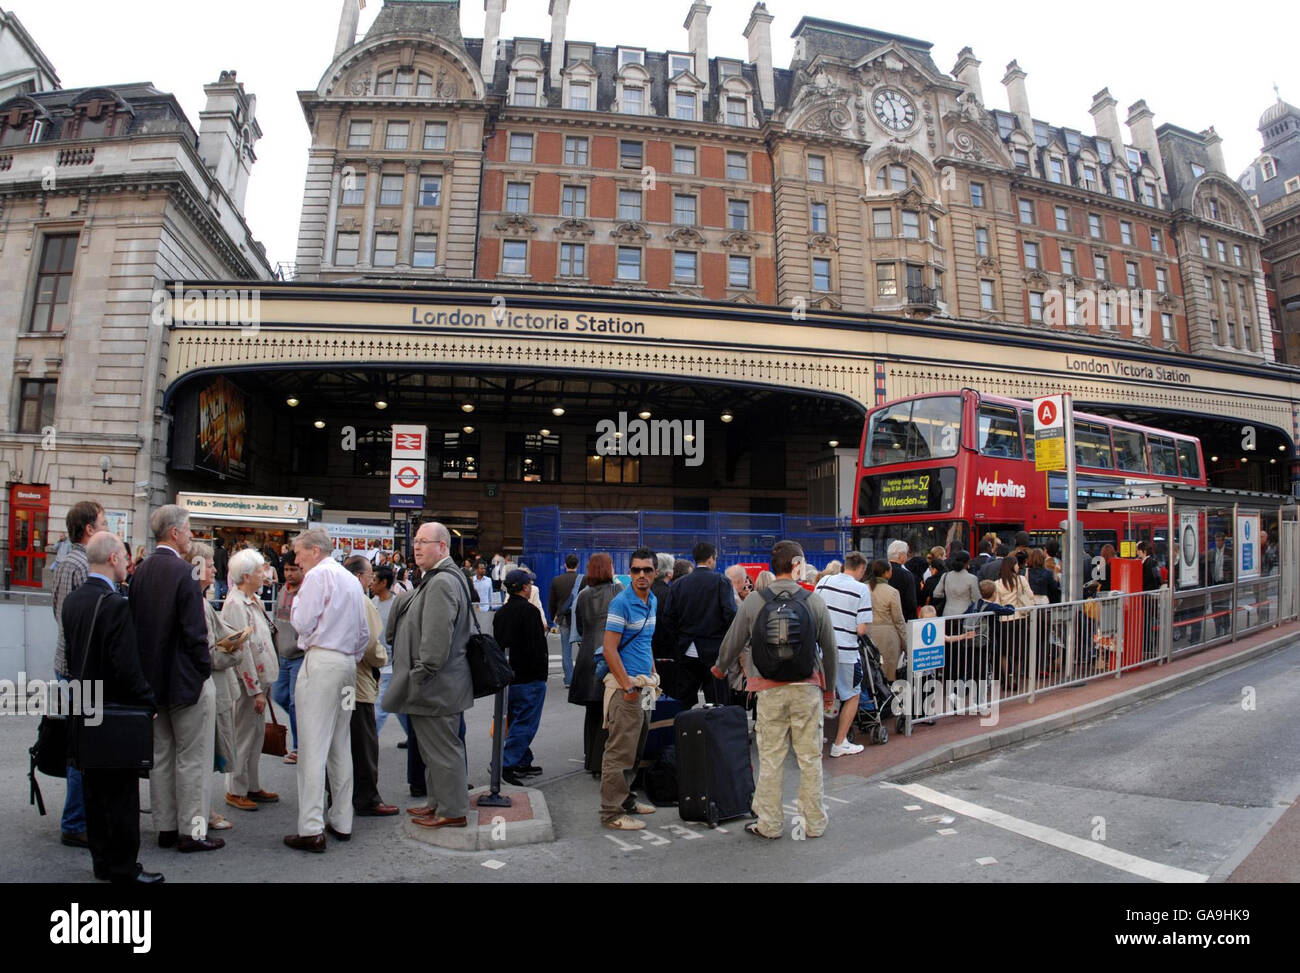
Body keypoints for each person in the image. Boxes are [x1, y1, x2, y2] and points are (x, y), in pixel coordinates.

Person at [713, 539, 836, 840]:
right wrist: (829, 690)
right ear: (796, 565)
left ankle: (768, 823)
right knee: (810, 758)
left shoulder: (756, 601)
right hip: (807, 689)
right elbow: (830, 649)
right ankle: (814, 823)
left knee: (771, 757)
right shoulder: (813, 600)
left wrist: (719, 667)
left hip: (768, 690)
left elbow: (734, 639)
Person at [64, 531, 162, 883]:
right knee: (121, 794)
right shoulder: (115, 604)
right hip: (114, 709)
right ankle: (124, 868)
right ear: (113, 559)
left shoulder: (74, 600)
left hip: (84, 704)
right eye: (123, 555)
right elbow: (125, 665)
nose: (127, 562)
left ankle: (102, 862)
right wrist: (147, 699)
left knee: (94, 791)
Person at [129, 505, 222, 853]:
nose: (190, 536)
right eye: (188, 530)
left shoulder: (141, 571)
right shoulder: (184, 573)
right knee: (192, 759)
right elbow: (194, 633)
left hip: (152, 682)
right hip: (185, 681)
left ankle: (166, 827)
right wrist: (201, 671)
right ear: (174, 533)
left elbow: (135, 627)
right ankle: (192, 831)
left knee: (162, 756)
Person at [284, 527, 370, 851]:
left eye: (299, 552)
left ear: (314, 551)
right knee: (340, 743)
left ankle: (310, 828)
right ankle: (342, 819)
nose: (296, 559)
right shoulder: (350, 578)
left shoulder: (318, 576)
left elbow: (302, 623)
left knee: (312, 747)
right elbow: (364, 633)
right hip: (348, 665)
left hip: (322, 664)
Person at [384, 522, 474, 830]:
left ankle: (452, 810)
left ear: (443, 547)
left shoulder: (441, 583)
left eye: (425, 542)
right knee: (433, 751)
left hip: (436, 685)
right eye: (416, 542)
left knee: (443, 751)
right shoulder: (438, 578)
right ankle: (438, 802)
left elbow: (436, 641)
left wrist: (420, 675)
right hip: (436, 684)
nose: (417, 547)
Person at [50, 498, 106, 850]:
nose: (106, 529)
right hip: (79, 669)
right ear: (89, 529)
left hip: (69, 665)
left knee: (80, 743)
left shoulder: (64, 560)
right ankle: (75, 821)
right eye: (102, 523)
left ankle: (79, 817)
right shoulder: (82, 563)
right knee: (83, 748)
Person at [598, 547, 660, 831]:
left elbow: (645, 641)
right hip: (628, 688)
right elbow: (610, 649)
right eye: (636, 570)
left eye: (647, 570)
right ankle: (611, 813)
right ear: (630, 573)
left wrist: (653, 672)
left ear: (655, 573)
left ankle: (627, 800)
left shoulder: (653, 601)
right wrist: (627, 686)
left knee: (637, 746)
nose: (641, 575)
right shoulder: (621, 603)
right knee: (620, 750)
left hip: (646, 687)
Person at [219, 549, 280, 813]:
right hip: (247, 683)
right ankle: (236, 789)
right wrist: (255, 689)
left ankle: (251, 785)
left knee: (255, 736)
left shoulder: (250, 599)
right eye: (258, 570)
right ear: (246, 575)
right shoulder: (235, 604)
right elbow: (241, 650)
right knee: (243, 736)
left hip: (258, 679)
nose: (263, 574)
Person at [190, 542, 242, 833]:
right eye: (209, 565)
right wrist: (234, 652)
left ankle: (199, 811)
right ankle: (199, 815)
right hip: (206, 688)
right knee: (200, 755)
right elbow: (208, 652)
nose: (214, 569)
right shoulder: (196, 603)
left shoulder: (202, 600)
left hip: (211, 687)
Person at [342, 555, 398, 817]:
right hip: (360, 681)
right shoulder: (361, 602)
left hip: (337, 680)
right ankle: (366, 799)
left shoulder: (334, 597)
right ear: (358, 577)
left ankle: (340, 796)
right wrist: (383, 659)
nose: (370, 581)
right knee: (364, 742)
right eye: (368, 576)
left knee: (341, 741)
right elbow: (371, 645)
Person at [662, 541, 738, 706]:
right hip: (713, 649)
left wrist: (680, 636)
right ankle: (715, 731)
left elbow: (668, 617)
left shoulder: (680, 584)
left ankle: (683, 730)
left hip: (686, 648)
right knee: (718, 702)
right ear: (711, 558)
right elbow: (731, 613)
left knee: (683, 701)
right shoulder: (721, 582)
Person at [494, 568, 550, 785]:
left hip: (510, 676)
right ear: (525, 587)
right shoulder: (530, 612)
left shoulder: (501, 613)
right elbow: (538, 647)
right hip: (530, 676)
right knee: (526, 721)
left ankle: (522, 760)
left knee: (517, 718)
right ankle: (507, 763)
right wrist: (541, 674)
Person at [568, 554, 623, 774]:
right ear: (609, 568)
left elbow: (580, 628)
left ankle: (590, 758)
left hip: (587, 655)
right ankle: (601, 762)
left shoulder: (582, 595)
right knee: (608, 711)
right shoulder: (618, 592)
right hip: (609, 654)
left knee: (592, 711)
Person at [813, 551, 872, 757]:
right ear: (861, 569)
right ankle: (840, 743)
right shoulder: (861, 589)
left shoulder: (824, 581)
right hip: (845, 651)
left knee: (819, 693)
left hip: (820, 649)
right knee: (852, 694)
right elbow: (862, 629)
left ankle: (815, 739)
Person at [270, 550, 304, 765]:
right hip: (281, 656)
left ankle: (299, 747)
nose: (289, 573)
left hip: (299, 655)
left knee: (294, 703)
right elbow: (275, 621)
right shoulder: (283, 590)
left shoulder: (306, 591)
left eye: (293, 569)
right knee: (279, 695)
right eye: (286, 569)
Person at [993, 554, 1036, 690]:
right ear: (1012, 566)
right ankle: (1014, 677)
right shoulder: (1021, 580)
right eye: (1017, 564)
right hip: (1020, 619)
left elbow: (997, 603)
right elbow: (1030, 596)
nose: (1019, 566)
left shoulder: (997, 583)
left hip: (1004, 621)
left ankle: (1007, 678)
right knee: (1018, 652)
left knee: (1004, 652)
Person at [866, 560, 908, 681]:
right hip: (888, 637)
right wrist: (906, 644)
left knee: (871, 673)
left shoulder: (864, 588)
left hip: (868, 634)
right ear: (886, 573)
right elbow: (899, 621)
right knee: (888, 674)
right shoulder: (892, 592)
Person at [372, 565, 400, 736]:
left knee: (379, 708)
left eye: (374, 580)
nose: (371, 584)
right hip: (375, 662)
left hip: (391, 664)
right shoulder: (372, 603)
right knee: (400, 706)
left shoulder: (397, 604)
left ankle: (366, 743)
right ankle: (414, 737)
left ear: (383, 583)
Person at [549, 554, 581, 687]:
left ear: (565, 565)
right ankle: (582, 677)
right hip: (580, 619)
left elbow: (552, 601)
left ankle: (569, 679)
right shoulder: (583, 580)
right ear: (577, 565)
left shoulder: (557, 580)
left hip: (563, 619)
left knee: (566, 650)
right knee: (583, 649)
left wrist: (553, 617)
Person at [935, 551, 980, 618]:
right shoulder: (972, 578)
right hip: (965, 613)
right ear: (967, 563)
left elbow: (936, 593)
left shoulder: (945, 576)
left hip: (947, 613)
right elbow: (976, 599)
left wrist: (947, 595)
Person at [887, 540, 919, 622]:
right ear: (901, 556)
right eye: (906, 554)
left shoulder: (879, 570)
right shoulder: (907, 575)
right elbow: (911, 602)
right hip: (901, 618)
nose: (907, 556)